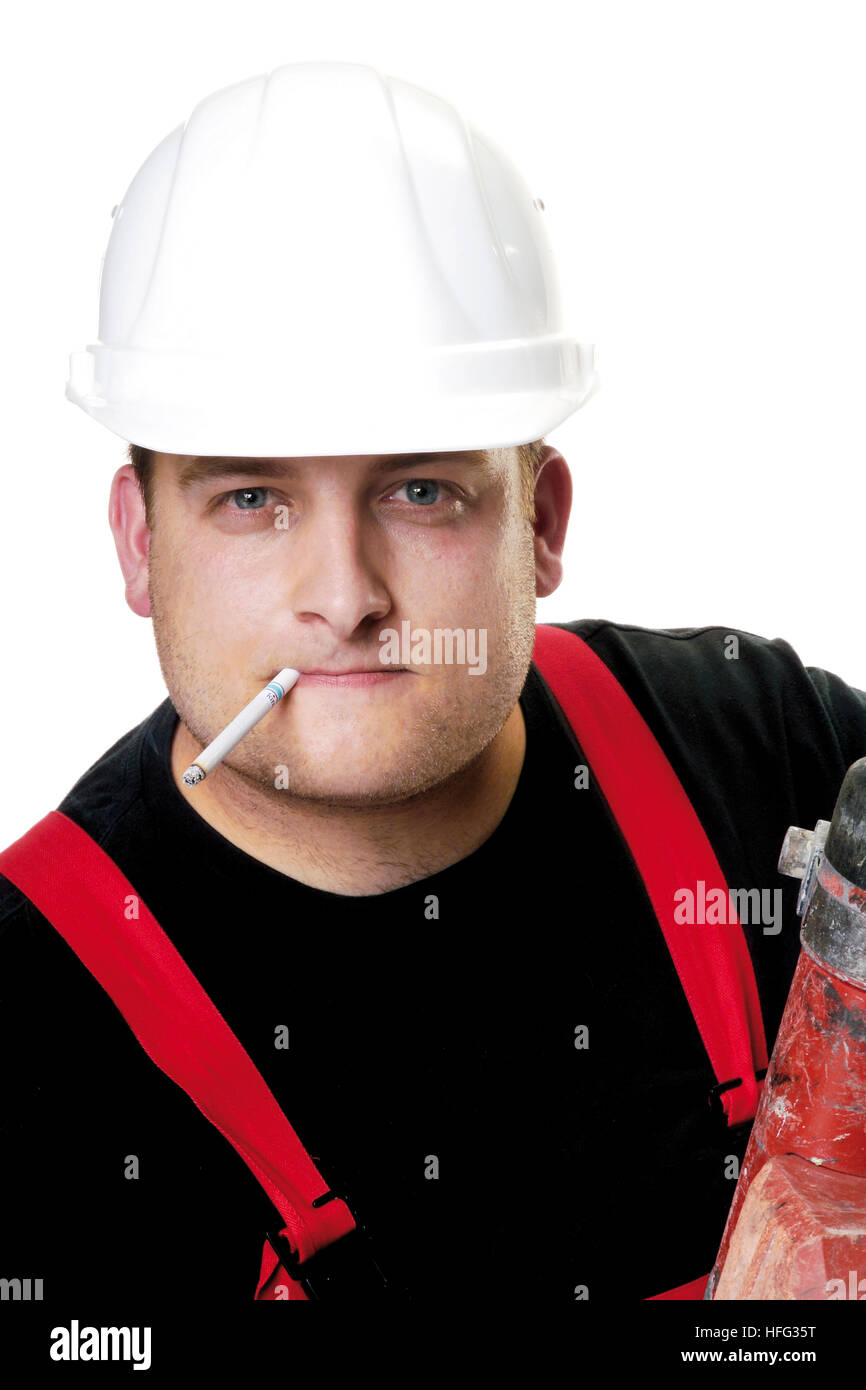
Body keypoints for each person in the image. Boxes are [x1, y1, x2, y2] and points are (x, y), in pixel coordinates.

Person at [2, 60, 865, 1306]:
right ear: (140, 543)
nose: (345, 596)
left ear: (541, 521)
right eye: (252, 498)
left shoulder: (758, 750)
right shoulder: (28, 1037)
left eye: (420, 492)